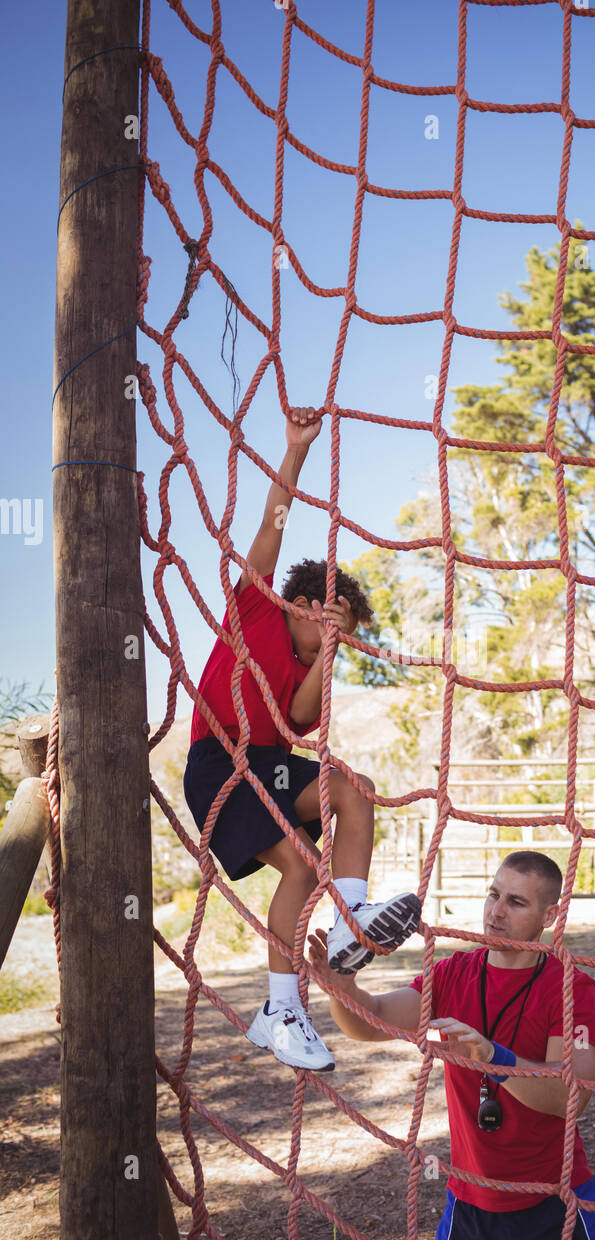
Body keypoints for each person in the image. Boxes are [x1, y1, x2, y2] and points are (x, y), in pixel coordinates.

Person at [183, 407, 421, 1073]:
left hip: (265, 760)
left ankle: (349, 917)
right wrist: (295, 453)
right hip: (217, 762)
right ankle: (281, 1010)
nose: (333, 624)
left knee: (354, 790)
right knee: (293, 862)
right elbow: (272, 522)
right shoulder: (256, 602)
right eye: (330, 611)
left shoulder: (309, 661)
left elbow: (298, 717)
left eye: (344, 622)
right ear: (305, 601)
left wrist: (330, 652)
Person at [308, 850, 595, 1240]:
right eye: (493, 894)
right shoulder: (451, 974)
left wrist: (491, 1057)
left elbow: (574, 1095)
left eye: (516, 902)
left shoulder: (572, 987)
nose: (496, 911)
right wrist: (343, 988)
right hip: (471, 1212)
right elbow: (374, 1019)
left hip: (559, 1206)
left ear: (550, 914)